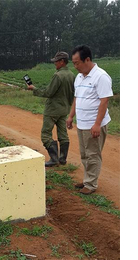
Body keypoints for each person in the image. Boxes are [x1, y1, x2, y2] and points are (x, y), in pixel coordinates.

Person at [66, 44, 113, 195]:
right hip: (82, 123)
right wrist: (71, 116)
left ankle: (91, 184)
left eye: (77, 63)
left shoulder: (101, 76)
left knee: (93, 154)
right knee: (84, 153)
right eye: (73, 63)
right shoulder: (79, 77)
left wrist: (97, 124)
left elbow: (104, 101)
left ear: (87, 60)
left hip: (93, 124)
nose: (75, 66)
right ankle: (88, 179)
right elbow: (77, 98)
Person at [27, 51, 75, 167]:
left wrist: (34, 89)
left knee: (45, 134)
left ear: (62, 62)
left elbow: (49, 92)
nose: (55, 64)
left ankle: (54, 159)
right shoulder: (71, 74)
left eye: (56, 62)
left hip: (52, 109)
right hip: (64, 109)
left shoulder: (58, 76)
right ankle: (62, 159)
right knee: (63, 133)